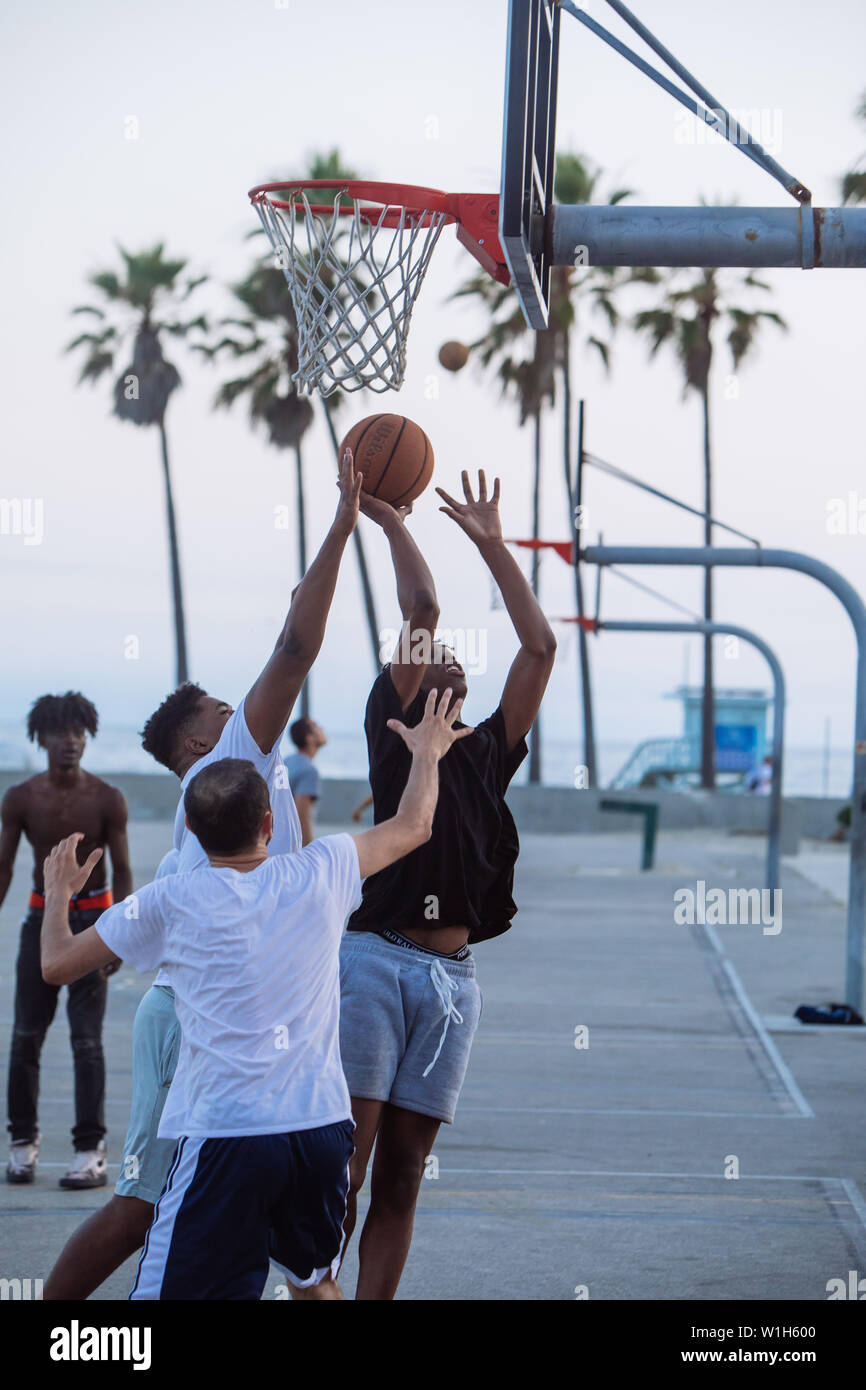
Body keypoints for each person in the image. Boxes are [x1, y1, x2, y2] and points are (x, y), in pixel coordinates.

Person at [42, 447, 361, 1300]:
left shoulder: (234, 769)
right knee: (145, 1201)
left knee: (275, 1238)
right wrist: (343, 521)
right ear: (198, 742)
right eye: (224, 706)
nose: (245, 707)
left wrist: (334, 547)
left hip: (231, 1010)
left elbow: (296, 621)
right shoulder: (231, 754)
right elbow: (295, 647)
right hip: (196, 1019)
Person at [39, 689, 469, 1300]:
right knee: (314, 1284)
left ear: (189, 828)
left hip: (225, 1137)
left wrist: (59, 893)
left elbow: (56, 965)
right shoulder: (321, 872)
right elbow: (414, 824)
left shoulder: (171, 900)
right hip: (321, 1132)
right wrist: (427, 752)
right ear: (270, 824)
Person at [339, 469, 556, 1300]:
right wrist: (392, 522)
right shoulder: (396, 736)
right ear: (412, 679)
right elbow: (422, 609)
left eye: (460, 655)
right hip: (374, 966)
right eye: (435, 655)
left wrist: (495, 547)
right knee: (345, 1171)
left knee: (403, 1176)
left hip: (453, 983)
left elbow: (540, 649)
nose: (449, 653)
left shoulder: (489, 748)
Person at [1, 692, 131, 1189]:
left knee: (86, 1040)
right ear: (41, 738)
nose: (70, 741)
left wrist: (119, 934)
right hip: (41, 919)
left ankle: (89, 1151)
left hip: (95, 923)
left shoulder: (106, 798)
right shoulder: (21, 798)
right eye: (59, 732)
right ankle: (22, 1145)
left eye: (78, 732)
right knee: (26, 1036)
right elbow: (4, 867)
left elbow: (122, 870)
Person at [284, 717, 327, 846]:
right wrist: (308, 853)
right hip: (292, 844)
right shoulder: (309, 770)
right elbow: (302, 816)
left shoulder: (287, 761)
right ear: (309, 738)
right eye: (317, 726)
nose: (322, 729)